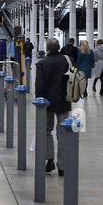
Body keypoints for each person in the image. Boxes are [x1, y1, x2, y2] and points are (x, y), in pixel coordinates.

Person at [34, 37, 72, 176]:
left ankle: (49, 160)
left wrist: (39, 102)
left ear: (47, 48)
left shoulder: (42, 64)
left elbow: (39, 86)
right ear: (59, 47)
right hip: (64, 101)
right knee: (63, 133)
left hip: (47, 103)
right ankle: (63, 166)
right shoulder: (67, 61)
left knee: (46, 131)